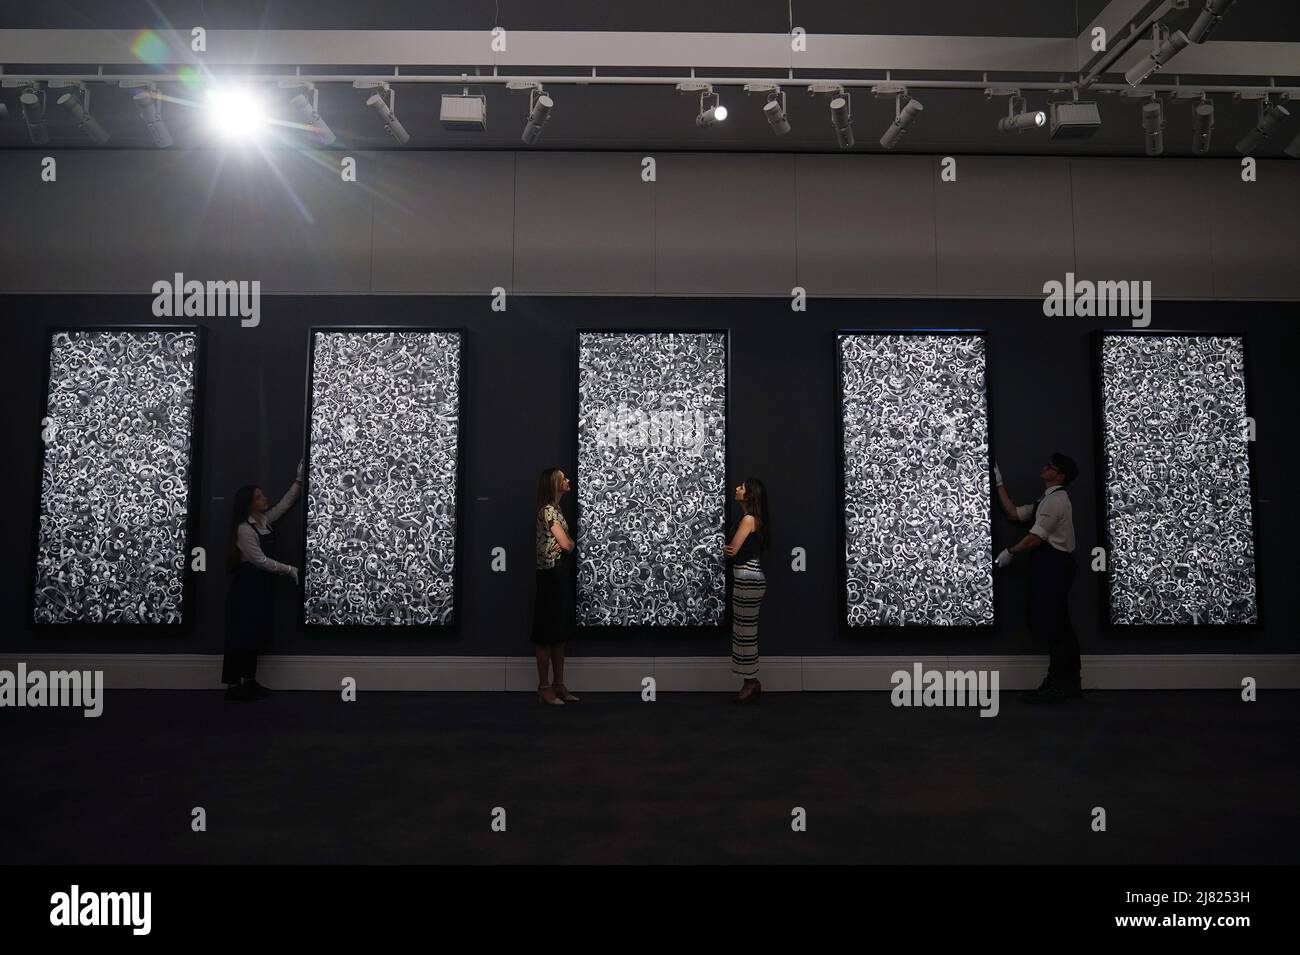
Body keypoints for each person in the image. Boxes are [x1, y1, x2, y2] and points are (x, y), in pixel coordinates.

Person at [993, 452, 1081, 703]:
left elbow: (1035, 537)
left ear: (1060, 475)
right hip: (1049, 566)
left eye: (1050, 467)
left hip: (1055, 565)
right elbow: (1014, 514)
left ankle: (1063, 684)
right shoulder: (1047, 499)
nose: (1044, 467)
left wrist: (1010, 552)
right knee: (1056, 625)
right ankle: (1063, 683)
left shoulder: (1056, 501)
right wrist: (999, 483)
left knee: (1057, 627)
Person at [223, 460, 302, 701]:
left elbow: (284, 505)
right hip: (247, 586)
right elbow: (260, 561)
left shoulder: (263, 521)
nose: (264, 498)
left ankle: (249, 680)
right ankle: (233, 686)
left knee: (253, 632)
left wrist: (298, 480)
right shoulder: (245, 530)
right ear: (249, 503)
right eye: (258, 497)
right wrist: (289, 569)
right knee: (240, 634)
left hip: (260, 585)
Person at [533, 467, 579, 705]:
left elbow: (566, 543)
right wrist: (568, 543)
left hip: (558, 574)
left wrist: (567, 544)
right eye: (563, 479)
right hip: (550, 574)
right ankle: (544, 687)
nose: (568, 480)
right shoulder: (549, 510)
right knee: (546, 632)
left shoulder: (557, 510)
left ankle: (559, 685)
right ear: (554, 484)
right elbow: (565, 543)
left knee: (558, 632)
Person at [724, 477, 770, 704]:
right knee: (745, 631)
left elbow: (732, 550)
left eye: (741, 487)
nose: (737, 489)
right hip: (750, 578)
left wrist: (724, 548)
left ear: (750, 494)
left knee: (745, 633)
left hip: (746, 578)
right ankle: (750, 681)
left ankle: (750, 682)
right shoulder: (753, 519)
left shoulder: (748, 519)